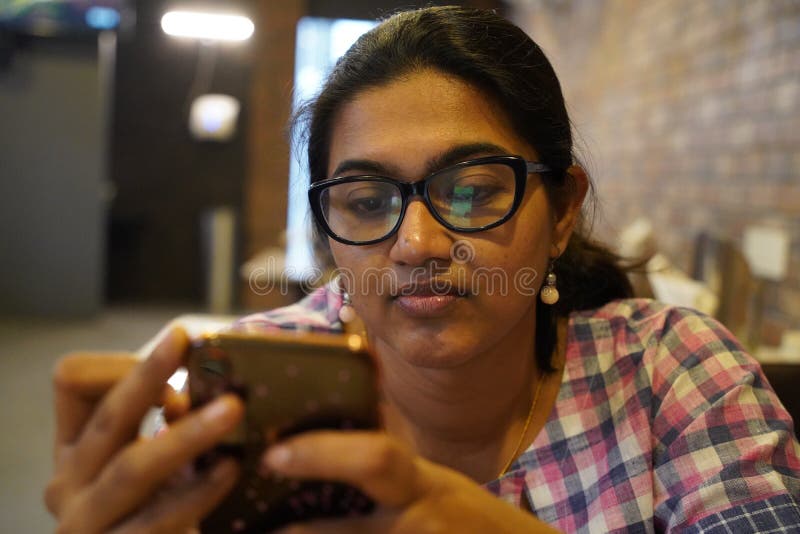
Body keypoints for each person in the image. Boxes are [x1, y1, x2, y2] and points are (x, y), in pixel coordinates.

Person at [45, 6, 800, 533]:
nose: (416, 244)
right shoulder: (255, 396)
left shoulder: (672, 374)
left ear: (563, 209)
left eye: (472, 192)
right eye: (367, 201)